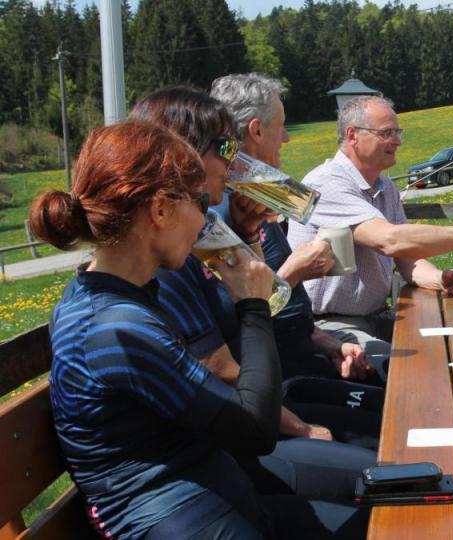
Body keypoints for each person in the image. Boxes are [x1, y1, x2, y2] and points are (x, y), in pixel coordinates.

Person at [33, 121, 367, 539]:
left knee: (402, 503)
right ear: (160, 210)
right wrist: (253, 305)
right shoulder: (115, 328)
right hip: (189, 521)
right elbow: (255, 430)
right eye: (201, 205)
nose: (205, 222)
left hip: (215, 500)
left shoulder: (117, 298)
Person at [129, 87, 379, 501]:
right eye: (225, 146)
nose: (233, 160)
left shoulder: (208, 226)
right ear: (181, 154)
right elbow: (223, 367)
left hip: (262, 403)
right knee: (383, 468)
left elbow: (271, 302)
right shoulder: (174, 247)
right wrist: (302, 427)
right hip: (234, 435)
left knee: (387, 432)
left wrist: (248, 236)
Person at [287, 95, 453, 347]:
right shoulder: (325, 183)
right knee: (406, 371)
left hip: (378, 317)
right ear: (352, 135)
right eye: (386, 133)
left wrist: (440, 279)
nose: (397, 141)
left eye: (397, 132)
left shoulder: (386, 187)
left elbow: (407, 258)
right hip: (329, 326)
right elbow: (391, 241)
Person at [211, 73, 380, 383]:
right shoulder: (217, 210)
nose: (287, 137)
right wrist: (296, 270)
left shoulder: (261, 193)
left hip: (304, 353)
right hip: (274, 378)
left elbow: (287, 315)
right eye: (281, 125)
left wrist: (332, 346)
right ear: (257, 130)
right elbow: (233, 322)